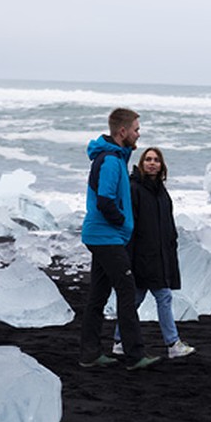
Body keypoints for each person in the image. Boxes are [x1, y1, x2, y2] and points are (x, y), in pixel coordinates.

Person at [79, 108, 161, 371]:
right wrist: (122, 222)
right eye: (136, 129)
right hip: (106, 237)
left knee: (98, 295)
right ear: (122, 131)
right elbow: (105, 200)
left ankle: (90, 354)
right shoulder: (111, 161)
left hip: (104, 236)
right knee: (126, 292)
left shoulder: (113, 158)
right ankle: (135, 356)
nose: (139, 133)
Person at [112, 147, 196, 359]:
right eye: (148, 159)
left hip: (160, 255)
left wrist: (172, 243)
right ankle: (172, 344)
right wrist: (127, 257)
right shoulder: (134, 188)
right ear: (142, 163)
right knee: (163, 296)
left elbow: (167, 223)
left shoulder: (161, 191)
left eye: (156, 160)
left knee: (136, 300)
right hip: (142, 256)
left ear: (161, 165)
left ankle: (119, 341)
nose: (152, 163)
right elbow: (130, 225)